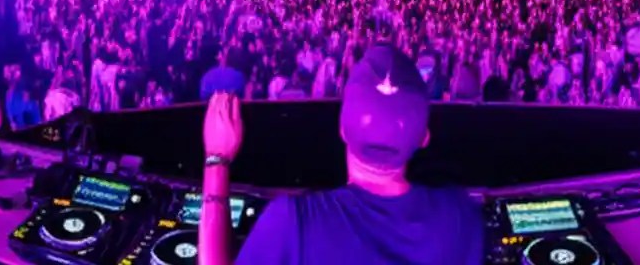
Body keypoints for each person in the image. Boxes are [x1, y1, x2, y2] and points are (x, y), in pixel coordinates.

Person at [199, 44, 484, 265]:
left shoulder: (294, 222)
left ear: (342, 129)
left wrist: (217, 159)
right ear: (424, 138)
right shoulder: (461, 217)